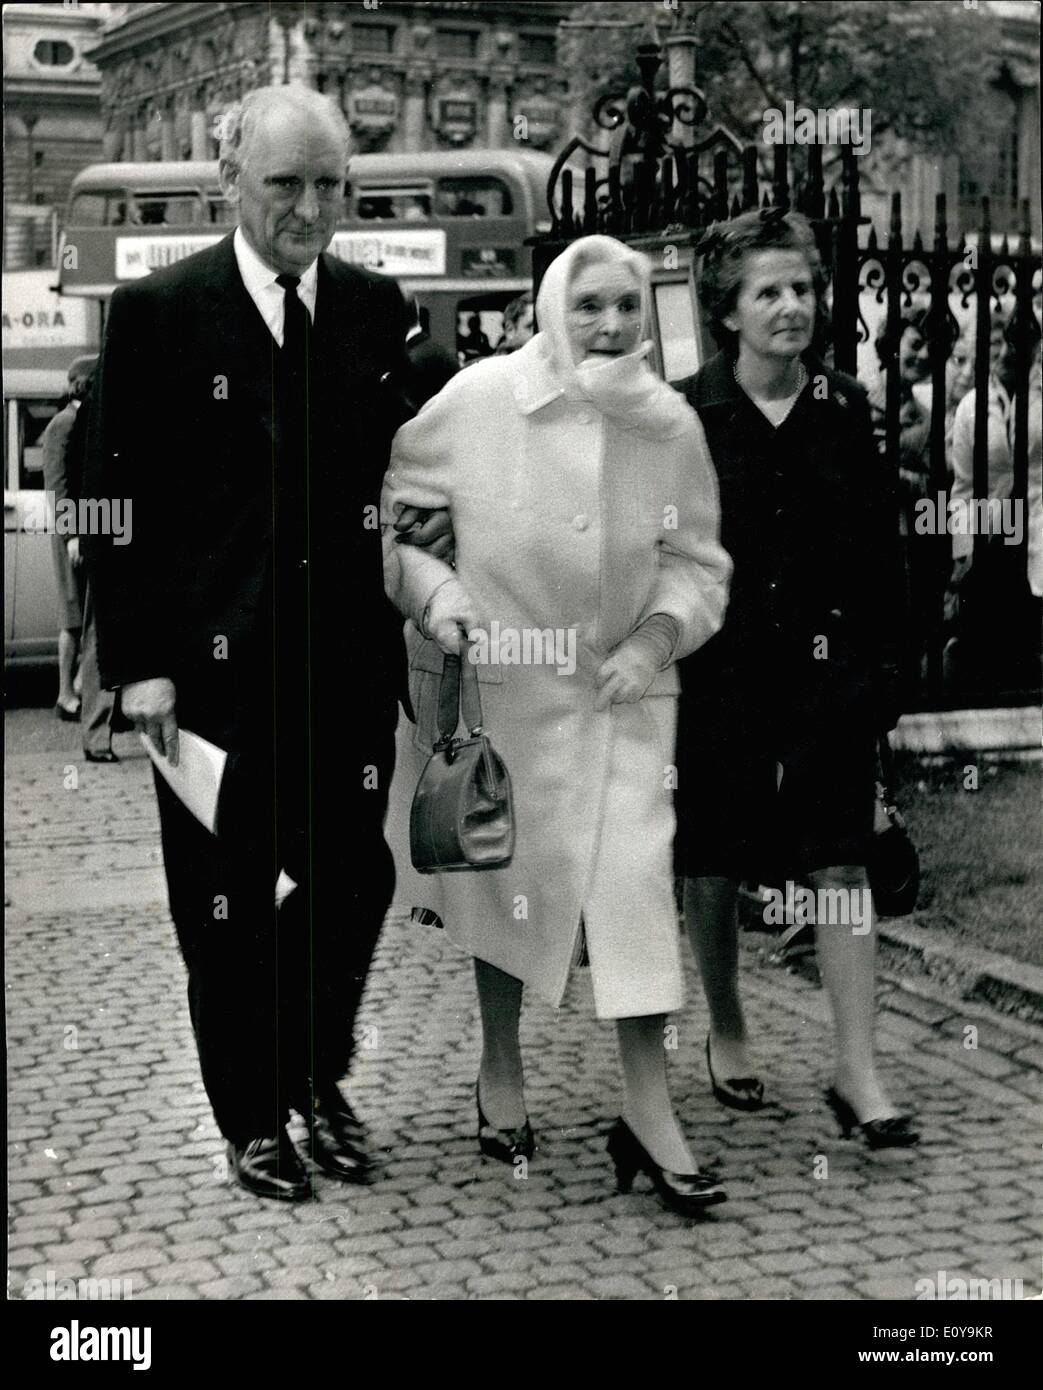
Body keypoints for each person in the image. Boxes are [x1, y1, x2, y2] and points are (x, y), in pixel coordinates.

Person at [84, 84, 413, 1202]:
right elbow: (107, 502)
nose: (311, 208)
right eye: (287, 184)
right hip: (203, 688)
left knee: (350, 883)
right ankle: (252, 1117)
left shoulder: (377, 312)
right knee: (224, 909)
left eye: (331, 186)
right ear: (229, 182)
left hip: (343, 678)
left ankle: (316, 1075)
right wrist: (135, 665)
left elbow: (415, 472)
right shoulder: (160, 315)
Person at [383, 235, 732, 1216]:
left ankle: (649, 1110)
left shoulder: (665, 421)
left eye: (626, 305)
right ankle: (499, 1067)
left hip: (626, 696)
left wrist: (658, 635)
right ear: (550, 307)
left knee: (629, 889)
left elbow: (696, 559)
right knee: (508, 889)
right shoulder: (477, 401)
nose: (610, 325)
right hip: (511, 691)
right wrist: (438, 596)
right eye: (588, 306)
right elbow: (402, 522)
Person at [675, 208, 918, 1150]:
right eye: (767, 292)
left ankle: (856, 1069)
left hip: (829, 682)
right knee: (709, 857)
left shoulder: (844, 408)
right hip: (720, 675)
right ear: (726, 310)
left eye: (803, 289)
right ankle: (728, 1027)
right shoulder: (688, 412)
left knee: (839, 860)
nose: (790, 307)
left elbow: (878, 553)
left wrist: (880, 674)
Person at [40, 356, 117, 761]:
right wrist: (72, 532)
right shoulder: (68, 424)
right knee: (79, 620)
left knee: (81, 621)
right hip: (81, 528)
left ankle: (77, 699)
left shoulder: (82, 419)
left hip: (91, 526)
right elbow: (58, 484)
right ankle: (70, 696)